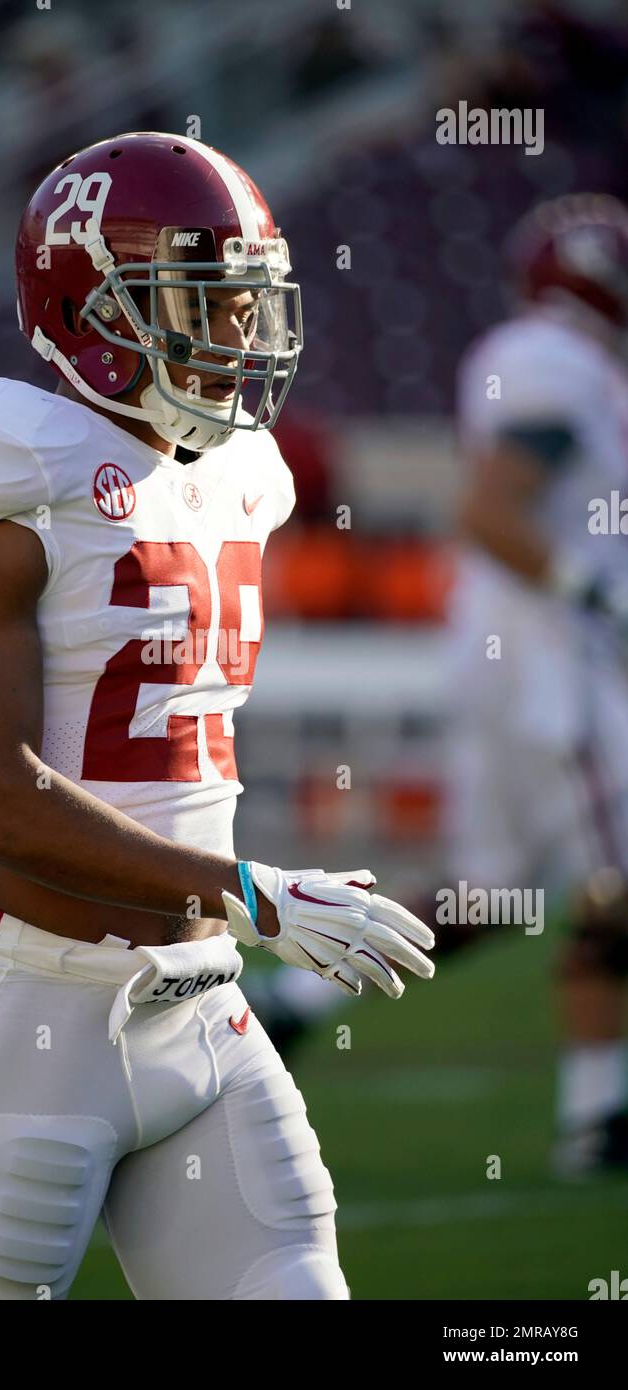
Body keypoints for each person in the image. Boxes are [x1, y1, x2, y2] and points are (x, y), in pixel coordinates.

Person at [0, 131, 434, 1301]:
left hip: (204, 1014)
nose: (239, 334)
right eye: (202, 300)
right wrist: (249, 889)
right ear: (92, 306)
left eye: (250, 303)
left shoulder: (242, 472)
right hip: (33, 1010)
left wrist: (235, 909)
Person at [449, 193, 628, 1176]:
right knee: (614, 878)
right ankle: (596, 1118)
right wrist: (595, 591)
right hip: (550, 667)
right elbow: (488, 507)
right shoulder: (553, 359)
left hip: (519, 660)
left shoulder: (562, 361)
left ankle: (292, 1003)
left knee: (494, 890)